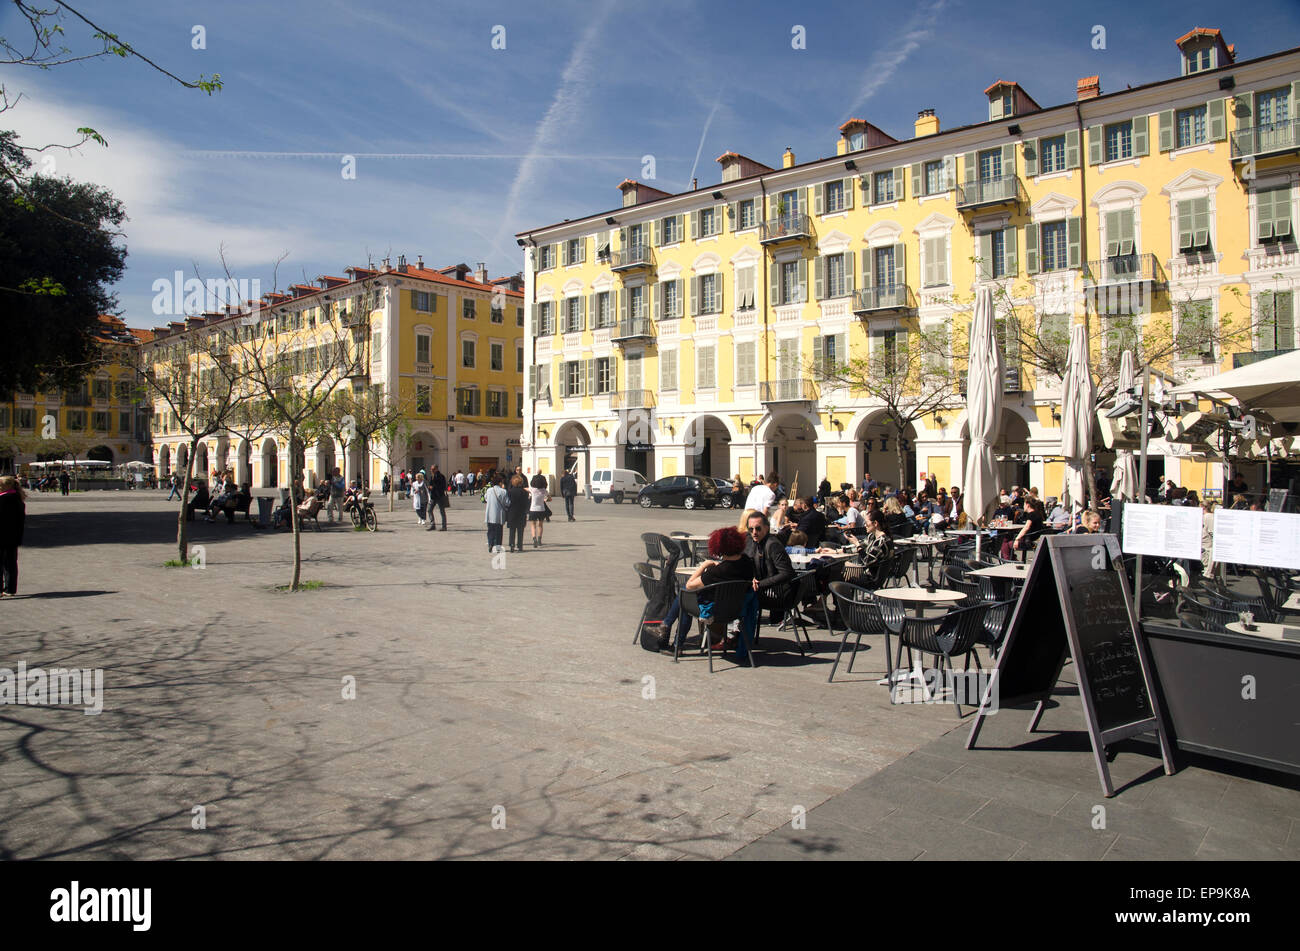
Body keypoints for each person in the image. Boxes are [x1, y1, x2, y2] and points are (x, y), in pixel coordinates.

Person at [0, 476, 25, 597]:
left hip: (2, 536)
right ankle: (10, 589)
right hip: (13, 537)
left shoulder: (4, 499)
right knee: (10, 563)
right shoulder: (18, 498)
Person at [484, 474, 509, 551]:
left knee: (490, 530)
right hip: (499, 514)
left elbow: (486, 499)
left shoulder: (489, 490)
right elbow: (507, 503)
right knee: (499, 531)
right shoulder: (503, 491)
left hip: (490, 514)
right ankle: (497, 546)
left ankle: (490, 543)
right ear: (500, 483)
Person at [505, 474, 530, 552]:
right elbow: (527, 503)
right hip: (521, 513)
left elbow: (507, 503)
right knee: (520, 530)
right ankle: (520, 545)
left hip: (512, 513)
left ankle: (512, 545)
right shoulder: (525, 492)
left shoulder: (510, 492)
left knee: (512, 530)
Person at [528, 476, 551, 547]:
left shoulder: (532, 489)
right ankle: (539, 540)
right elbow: (550, 499)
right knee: (540, 525)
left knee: (533, 525)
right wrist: (545, 500)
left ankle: (534, 539)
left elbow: (525, 489)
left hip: (533, 509)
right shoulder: (544, 490)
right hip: (541, 509)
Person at [428, 465, 449, 531]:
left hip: (440, 496)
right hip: (433, 496)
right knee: (429, 510)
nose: (431, 470)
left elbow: (442, 486)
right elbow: (430, 484)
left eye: (433, 469)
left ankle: (444, 526)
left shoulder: (441, 476)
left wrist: (433, 487)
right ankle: (432, 524)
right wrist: (429, 487)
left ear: (436, 469)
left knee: (442, 511)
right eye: (431, 469)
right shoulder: (432, 476)